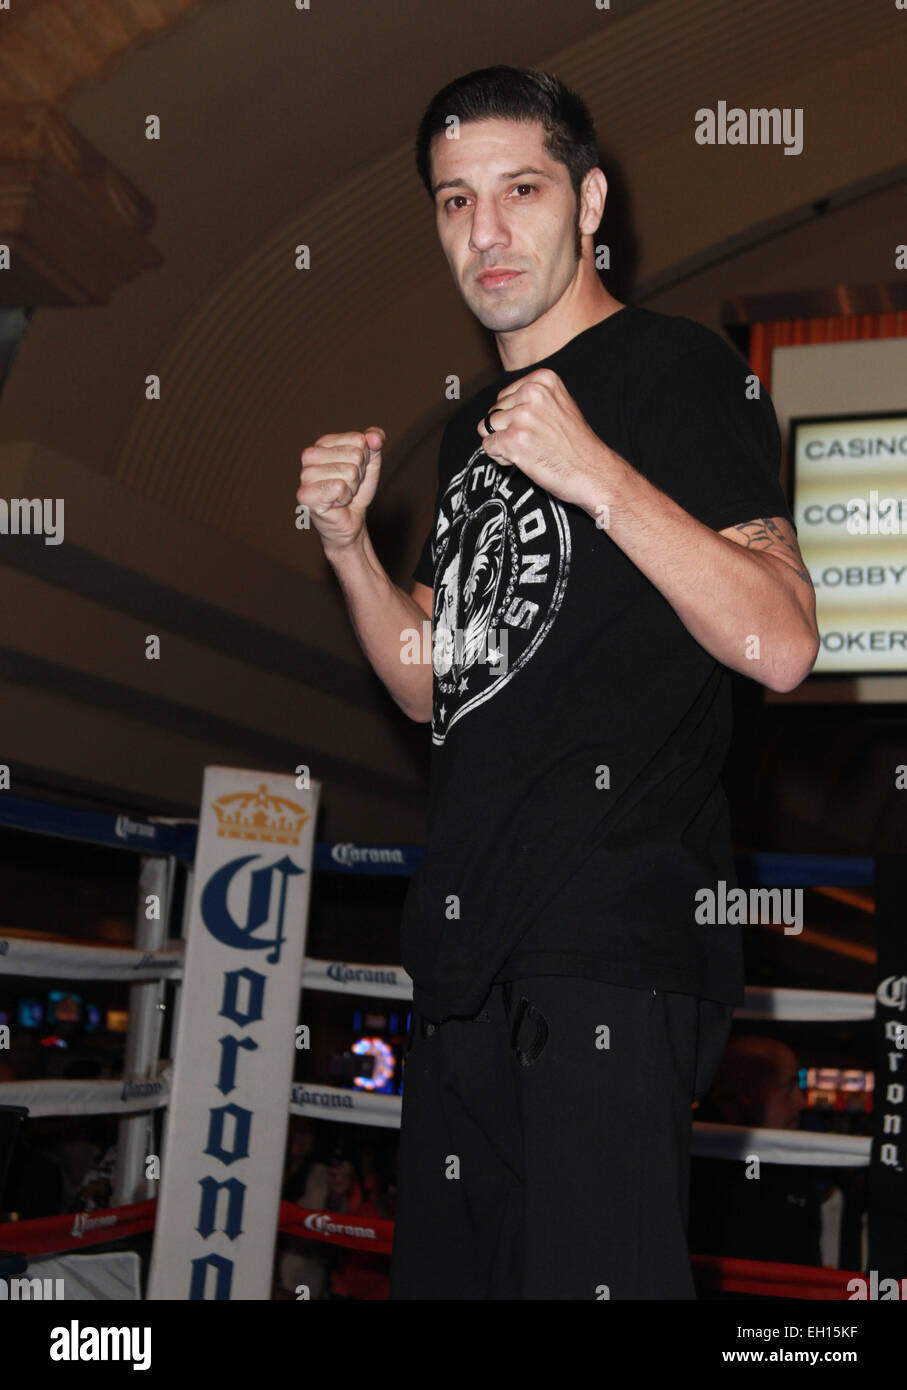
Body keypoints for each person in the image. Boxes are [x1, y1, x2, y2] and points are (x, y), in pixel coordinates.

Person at [297, 65, 819, 1300]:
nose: (484, 231)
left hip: (608, 937)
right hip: (472, 949)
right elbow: (437, 682)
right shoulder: (482, 431)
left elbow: (783, 643)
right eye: (454, 200)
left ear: (588, 201)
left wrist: (601, 477)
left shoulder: (675, 370)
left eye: (519, 190)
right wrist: (350, 553)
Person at [690, 1036, 836, 1268]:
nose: (800, 1101)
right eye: (788, 1086)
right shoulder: (688, 1160)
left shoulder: (791, 1162)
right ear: (746, 1091)